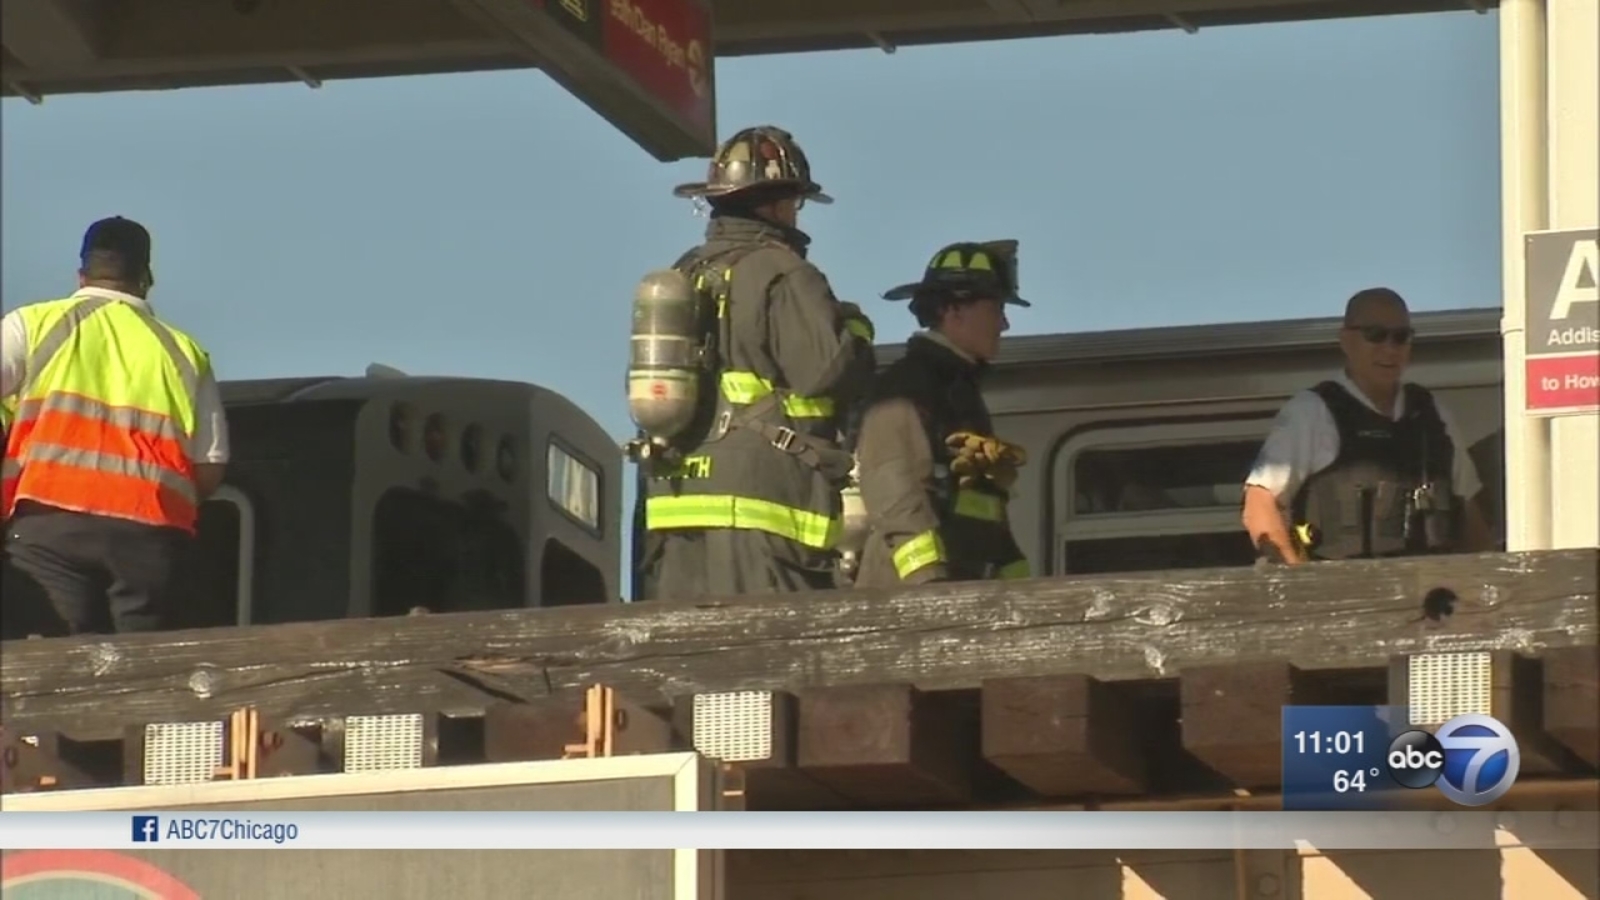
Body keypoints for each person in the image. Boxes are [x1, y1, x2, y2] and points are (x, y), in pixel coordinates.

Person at [634, 126, 877, 601]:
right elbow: (825, 372)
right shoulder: (784, 272)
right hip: (761, 509)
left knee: (689, 661)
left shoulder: (684, 272)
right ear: (775, 202)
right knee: (767, 664)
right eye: (794, 201)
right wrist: (858, 337)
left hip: (675, 504)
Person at [1, 216, 230, 637]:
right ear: (146, 278)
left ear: (81, 274)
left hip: (51, 529)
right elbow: (210, 467)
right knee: (140, 674)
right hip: (150, 540)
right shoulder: (184, 352)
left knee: (55, 671)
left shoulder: (32, 325)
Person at [1241, 287, 1497, 564]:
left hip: (1430, 596)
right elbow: (1259, 504)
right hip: (1345, 599)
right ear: (1346, 340)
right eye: (1375, 335)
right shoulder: (1313, 411)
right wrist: (1297, 588)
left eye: (1401, 337)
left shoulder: (1433, 414)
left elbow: (1470, 515)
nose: (1389, 348)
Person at [851, 241, 1032, 588]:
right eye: (995, 309)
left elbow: (981, 511)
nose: (1004, 324)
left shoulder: (959, 392)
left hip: (962, 591)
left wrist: (1018, 585)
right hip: (907, 603)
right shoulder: (908, 387)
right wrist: (929, 585)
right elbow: (897, 496)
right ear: (954, 311)